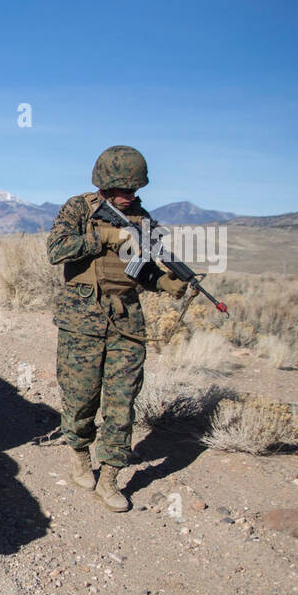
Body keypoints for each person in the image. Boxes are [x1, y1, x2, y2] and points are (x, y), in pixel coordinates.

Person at [46, 146, 188, 511]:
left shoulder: (142, 219)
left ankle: (109, 478)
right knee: (80, 398)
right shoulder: (80, 209)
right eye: (122, 190)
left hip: (126, 321)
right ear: (106, 186)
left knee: (122, 402)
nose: (129, 196)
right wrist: (105, 238)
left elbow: (139, 267)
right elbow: (58, 249)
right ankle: (79, 452)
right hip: (82, 319)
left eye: (134, 190)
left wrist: (162, 282)